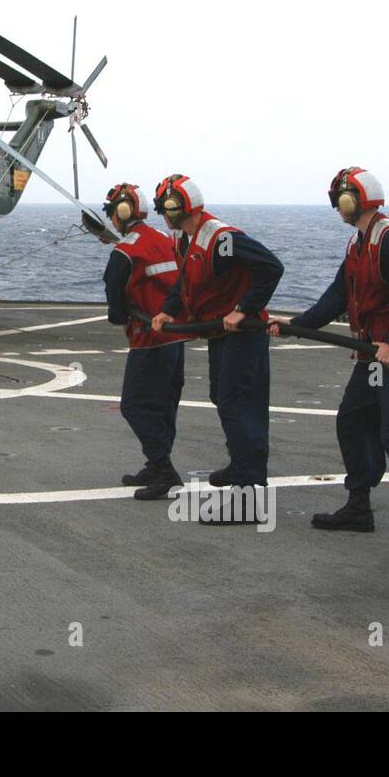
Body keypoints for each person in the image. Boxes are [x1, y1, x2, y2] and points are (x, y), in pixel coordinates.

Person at [269, 167, 389, 566]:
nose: (337, 207)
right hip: (372, 356)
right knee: (352, 420)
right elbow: (337, 296)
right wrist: (294, 326)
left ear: (352, 200)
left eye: (339, 199)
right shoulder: (358, 245)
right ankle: (359, 506)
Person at [150, 175, 283, 522]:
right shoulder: (185, 238)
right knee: (224, 399)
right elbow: (185, 280)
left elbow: (270, 267)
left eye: (168, 208)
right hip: (220, 335)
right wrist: (169, 309)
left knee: (240, 407)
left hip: (243, 335)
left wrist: (244, 309)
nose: (164, 215)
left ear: (181, 209)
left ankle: (250, 495)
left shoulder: (221, 239)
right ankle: (242, 466)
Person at [99, 183, 187, 500]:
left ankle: (164, 470)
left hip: (149, 338)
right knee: (164, 405)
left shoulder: (124, 252)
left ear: (122, 212)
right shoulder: (163, 240)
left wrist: (121, 320)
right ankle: (155, 462)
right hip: (175, 337)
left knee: (135, 405)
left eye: (112, 213)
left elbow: (114, 295)